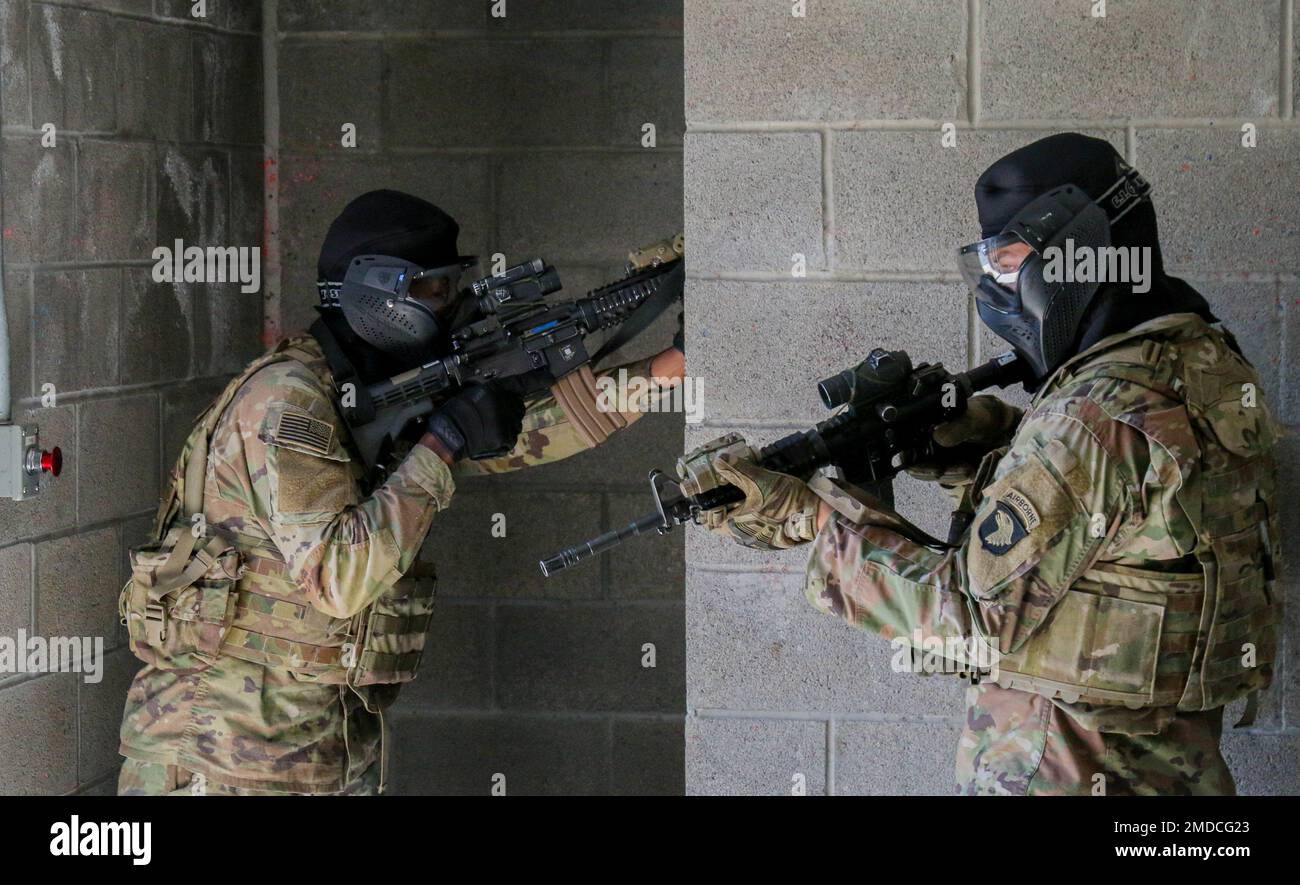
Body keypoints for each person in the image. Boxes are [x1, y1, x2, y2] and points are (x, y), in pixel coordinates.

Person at [679, 133, 1280, 796]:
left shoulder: (1093, 417)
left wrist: (809, 516)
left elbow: (967, 614)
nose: (996, 285)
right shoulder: (1197, 358)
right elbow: (1119, 517)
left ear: (1077, 253)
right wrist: (989, 443)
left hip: (1069, 772)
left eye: (1009, 260)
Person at [117, 190, 684, 795]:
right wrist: (441, 444)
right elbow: (338, 577)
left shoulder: (365, 387)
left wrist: (675, 365)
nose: (448, 307)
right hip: (223, 754)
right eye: (432, 291)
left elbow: (532, 434)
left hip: (317, 748)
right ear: (378, 294)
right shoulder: (289, 401)